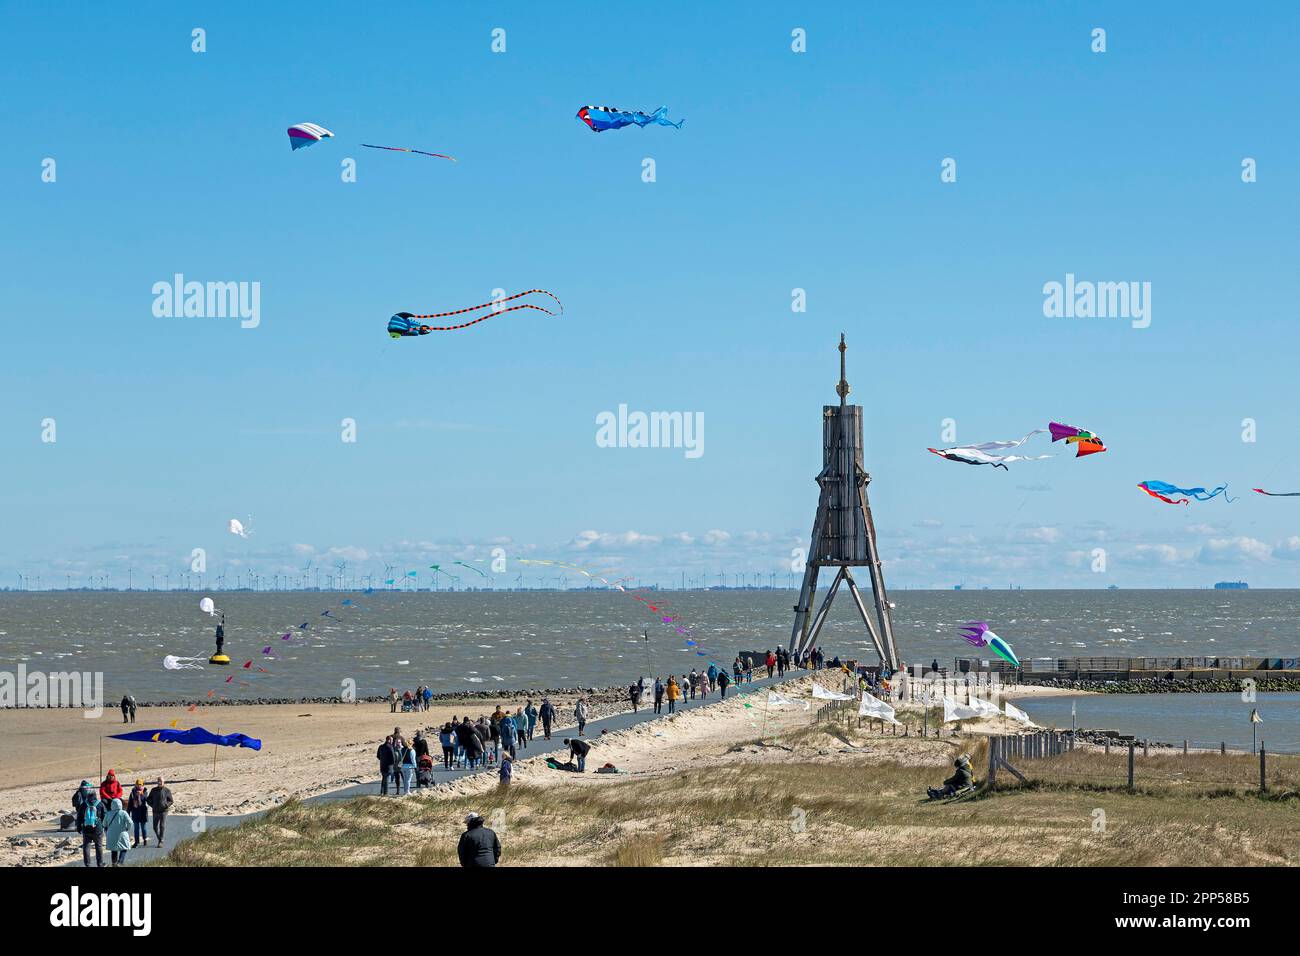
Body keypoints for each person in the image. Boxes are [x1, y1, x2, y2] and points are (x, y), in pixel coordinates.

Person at [73, 780, 106, 867]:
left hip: (86, 828)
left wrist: (79, 827)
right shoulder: (100, 804)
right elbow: (104, 816)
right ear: (95, 795)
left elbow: (79, 816)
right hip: (97, 829)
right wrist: (104, 826)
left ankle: (87, 864)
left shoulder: (84, 804)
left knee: (86, 847)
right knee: (98, 846)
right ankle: (100, 864)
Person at [103, 797, 132, 867]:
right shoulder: (124, 813)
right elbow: (130, 822)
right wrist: (127, 828)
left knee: (113, 848)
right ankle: (120, 862)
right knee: (124, 847)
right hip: (122, 833)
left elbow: (104, 824)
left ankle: (114, 863)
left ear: (112, 805)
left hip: (111, 834)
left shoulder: (108, 813)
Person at [146, 776, 173, 847]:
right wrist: (152, 805)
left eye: (161, 781)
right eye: (158, 781)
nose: (159, 782)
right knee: (155, 827)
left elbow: (171, 800)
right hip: (155, 811)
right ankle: (160, 839)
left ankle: (160, 841)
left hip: (164, 811)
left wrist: (166, 805)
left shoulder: (167, 790)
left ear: (164, 782)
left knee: (162, 825)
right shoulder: (153, 790)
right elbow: (148, 799)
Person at [126, 778, 149, 847]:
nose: (139, 786)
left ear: (142, 785)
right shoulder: (132, 792)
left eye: (140, 784)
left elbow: (147, 800)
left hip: (143, 813)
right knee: (136, 828)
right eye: (137, 784)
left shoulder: (145, 792)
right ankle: (136, 842)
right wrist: (128, 812)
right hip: (135, 812)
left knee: (143, 827)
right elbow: (130, 803)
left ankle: (145, 839)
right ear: (135, 785)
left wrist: (141, 794)